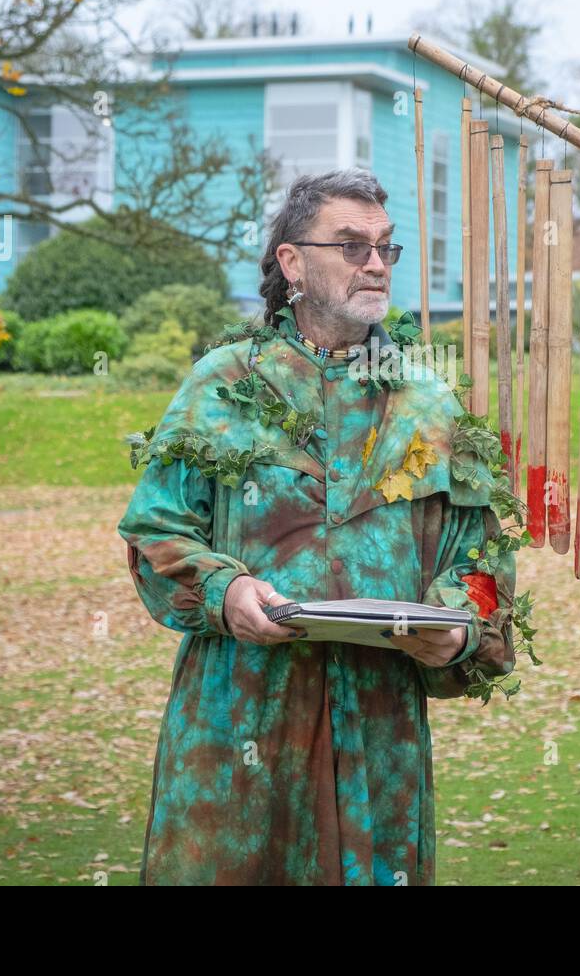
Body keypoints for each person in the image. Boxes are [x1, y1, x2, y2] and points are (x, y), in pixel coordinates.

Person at [117, 167, 519, 885]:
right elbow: (155, 532)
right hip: (239, 719)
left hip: (378, 731)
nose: (375, 263)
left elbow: (481, 564)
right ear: (292, 262)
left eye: (386, 248)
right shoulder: (221, 385)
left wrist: (458, 629)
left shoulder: (429, 405)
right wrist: (226, 592)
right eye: (352, 245)